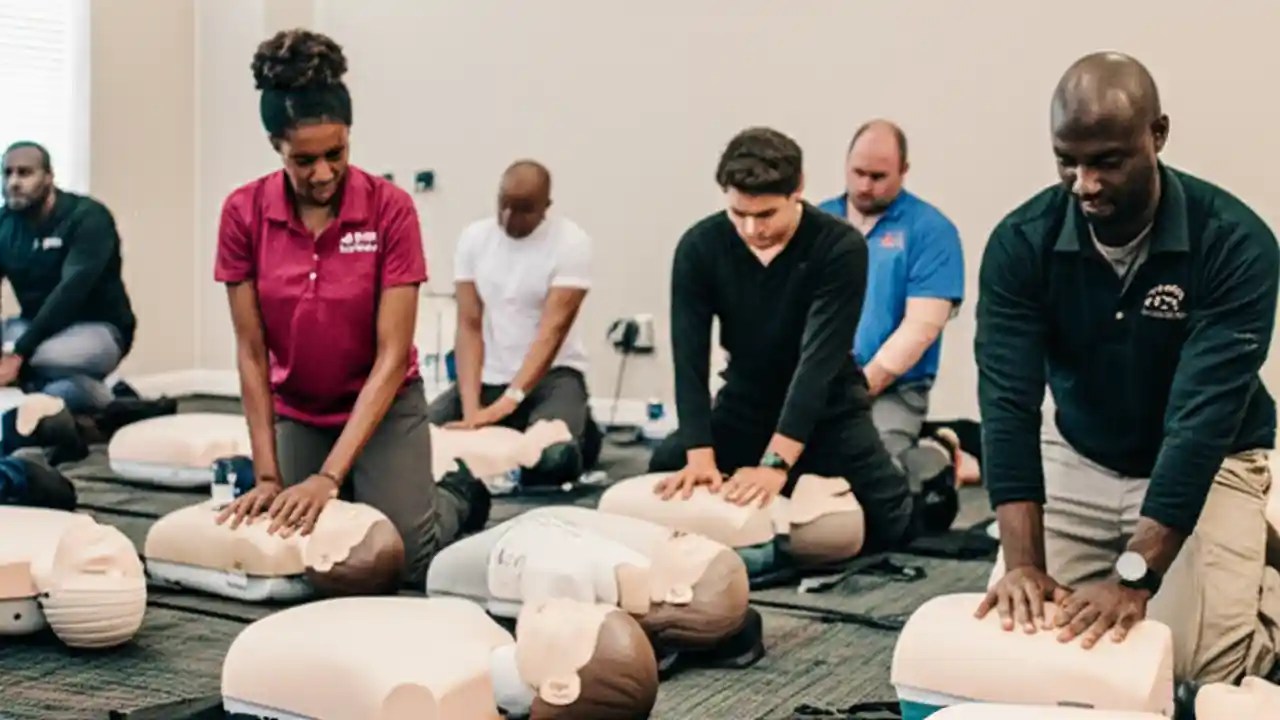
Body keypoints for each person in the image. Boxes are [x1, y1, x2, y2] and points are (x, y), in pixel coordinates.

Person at [974, 51, 1280, 687]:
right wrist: (1022, 564)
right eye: (1067, 160)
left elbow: (1199, 423)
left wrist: (1136, 573)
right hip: (1082, 452)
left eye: (1107, 161)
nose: (1084, 183)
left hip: (1214, 459)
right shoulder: (1020, 243)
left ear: (1157, 135)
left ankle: (1263, 580)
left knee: (1199, 673)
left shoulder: (1236, 243)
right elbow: (1007, 406)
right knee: (1019, 636)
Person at [212, 29, 488, 588]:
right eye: (302, 159)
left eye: (335, 154)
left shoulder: (391, 210)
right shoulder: (243, 212)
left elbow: (391, 357)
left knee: (406, 559)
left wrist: (329, 477)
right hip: (302, 409)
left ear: (350, 137)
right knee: (303, 553)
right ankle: (363, 485)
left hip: (385, 404)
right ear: (276, 148)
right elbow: (251, 353)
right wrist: (267, 475)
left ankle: (457, 494)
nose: (321, 173)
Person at [648, 126, 915, 555]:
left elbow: (817, 363)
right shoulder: (699, 247)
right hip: (745, 404)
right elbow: (690, 359)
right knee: (667, 465)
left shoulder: (839, 246)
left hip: (829, 410)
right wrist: (700, 456)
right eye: (739, 214)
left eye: (767, 214)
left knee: (891, 525)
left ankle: (935, 455)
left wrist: (775, 463)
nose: (753, 229)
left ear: (798, 191)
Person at [427, 160, 596, 486]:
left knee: (552, 461)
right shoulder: (474, 239)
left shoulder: (570, 242)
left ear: (546, 207)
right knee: (411, 444)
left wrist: (505, 405)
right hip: (490, 377)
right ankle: (511, 429)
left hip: (553, 376)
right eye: (503, 206)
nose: (509, 219)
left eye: (523, 210)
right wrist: (472, 408)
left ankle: (582, 429)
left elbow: (552, 331)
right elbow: (469, 325)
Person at [816, 120, 965, 488]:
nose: (865, 185)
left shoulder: (931, 231)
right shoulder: (816, 222)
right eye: (858, 173)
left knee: (864, 475)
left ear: (904, 172)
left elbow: (920, 329)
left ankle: (941, 449)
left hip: (893, 390)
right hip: (817, 380)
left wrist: (856, 391)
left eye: (879, 176)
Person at [0, 141, 136, 412]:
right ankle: (105, 398)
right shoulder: (4, 223)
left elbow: (70, 292)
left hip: (97, 331)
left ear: (49, 177)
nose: (14, 182)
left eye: (25, 173)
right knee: (58, 389)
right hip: (33, 328)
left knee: (40, 357)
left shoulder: (88, 217)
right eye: (7, 173)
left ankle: (33, 380)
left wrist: (18, 353)